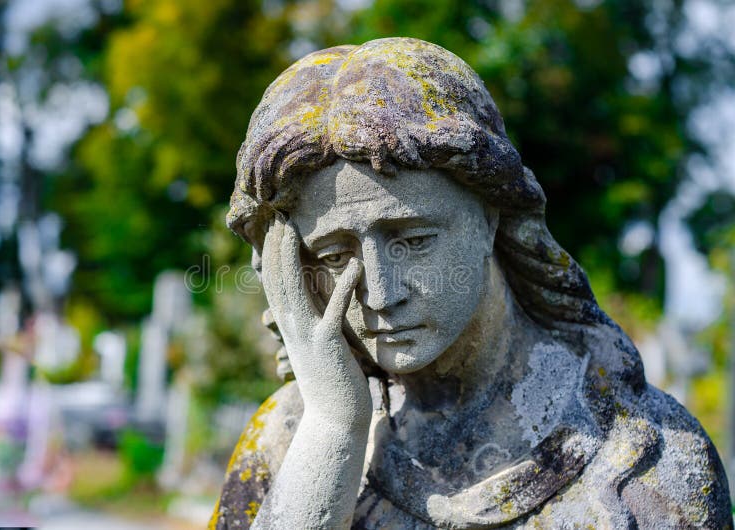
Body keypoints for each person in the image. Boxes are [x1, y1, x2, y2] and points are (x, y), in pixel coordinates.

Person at [210, 37, 731, 528]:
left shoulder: (648, 462)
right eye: (334, 254)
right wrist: (331, 431)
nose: (382, 295)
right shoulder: (285, 444)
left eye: (414, 240)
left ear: (490, 217)